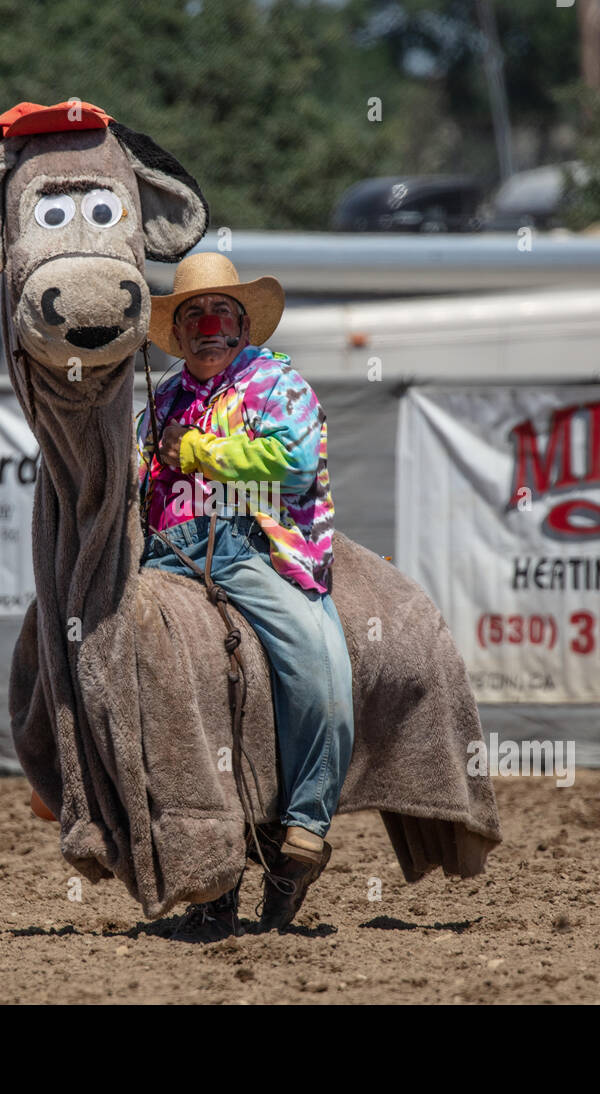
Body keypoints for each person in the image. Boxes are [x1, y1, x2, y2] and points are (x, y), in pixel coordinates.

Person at [135, 251, 355, 940]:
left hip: (248, 547)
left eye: (219, 315)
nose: (206, 327)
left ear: (241, 326)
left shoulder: (275, 384)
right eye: (192, 317)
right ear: (178, 332)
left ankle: (304, 827)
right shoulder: (160, 400)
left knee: (322, 674)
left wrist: (196, 451)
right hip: (162, 553)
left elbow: (291, 463)